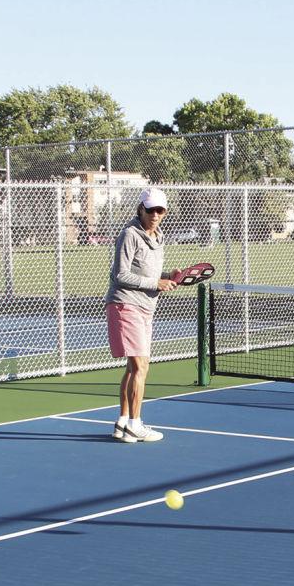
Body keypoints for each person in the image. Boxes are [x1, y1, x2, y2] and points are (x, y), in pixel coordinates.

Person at [107, 187, 179, 443]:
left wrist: (168, 277)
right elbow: (120, 274)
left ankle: (123, 422)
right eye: (150, 210)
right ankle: (135, 425)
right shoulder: (129, 235)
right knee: (141, 366)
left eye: (160, 210)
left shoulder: (158, 237)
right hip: (125, 304)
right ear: (140, 209)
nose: (155, 215)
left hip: (147, 308)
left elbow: (149, 275)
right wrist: (155, 283)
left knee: (132, 367)